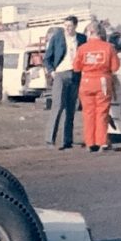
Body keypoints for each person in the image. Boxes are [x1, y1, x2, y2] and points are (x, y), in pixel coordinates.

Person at [72, 21, 121, 152]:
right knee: (102, 113)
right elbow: (115, 67)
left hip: (86, 82)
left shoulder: (82, 48)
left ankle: (90, 142)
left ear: (90, 32)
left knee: (88, 113)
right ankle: (102, 142)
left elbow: (76, 67)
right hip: (102, 82)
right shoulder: (108, 47)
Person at [43, 15, 87, 150]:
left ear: (75, 26)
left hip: (75, 74)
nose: (67, 28)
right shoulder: (57, 37)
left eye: (70, 26)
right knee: (58, 106)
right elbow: (47, 58)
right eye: (65, 26)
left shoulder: (81, 39)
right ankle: (50, 139)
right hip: (61, 74)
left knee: (71, 108)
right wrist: (51, 71)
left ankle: (67, 140)